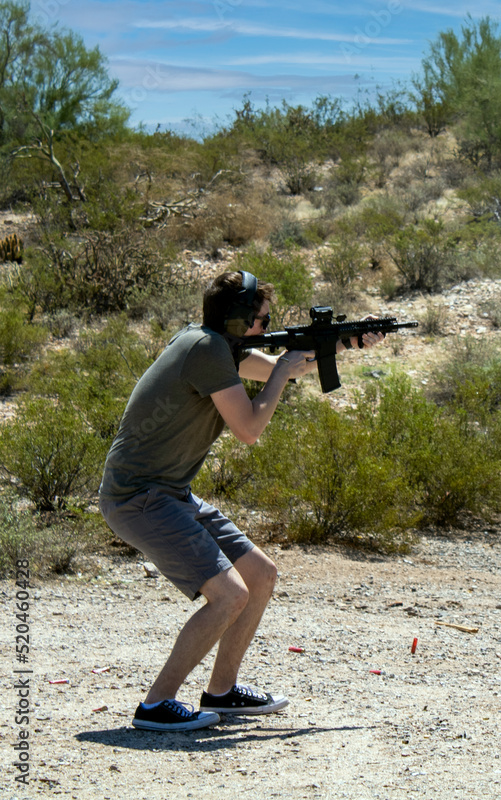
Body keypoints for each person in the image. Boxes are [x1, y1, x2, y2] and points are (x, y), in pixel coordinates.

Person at [98, 270, 383, 731]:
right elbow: (250, 429)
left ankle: (223, 693)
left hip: (168, 494)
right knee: (229, 595)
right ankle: (155, 705)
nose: (266, 327)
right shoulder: (208, 351)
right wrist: (285, 373)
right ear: (236, 321)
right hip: (139, 498)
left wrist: (344, 344)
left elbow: (278, 369)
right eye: (261, 319)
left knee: (259, 575)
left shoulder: (209, 344)